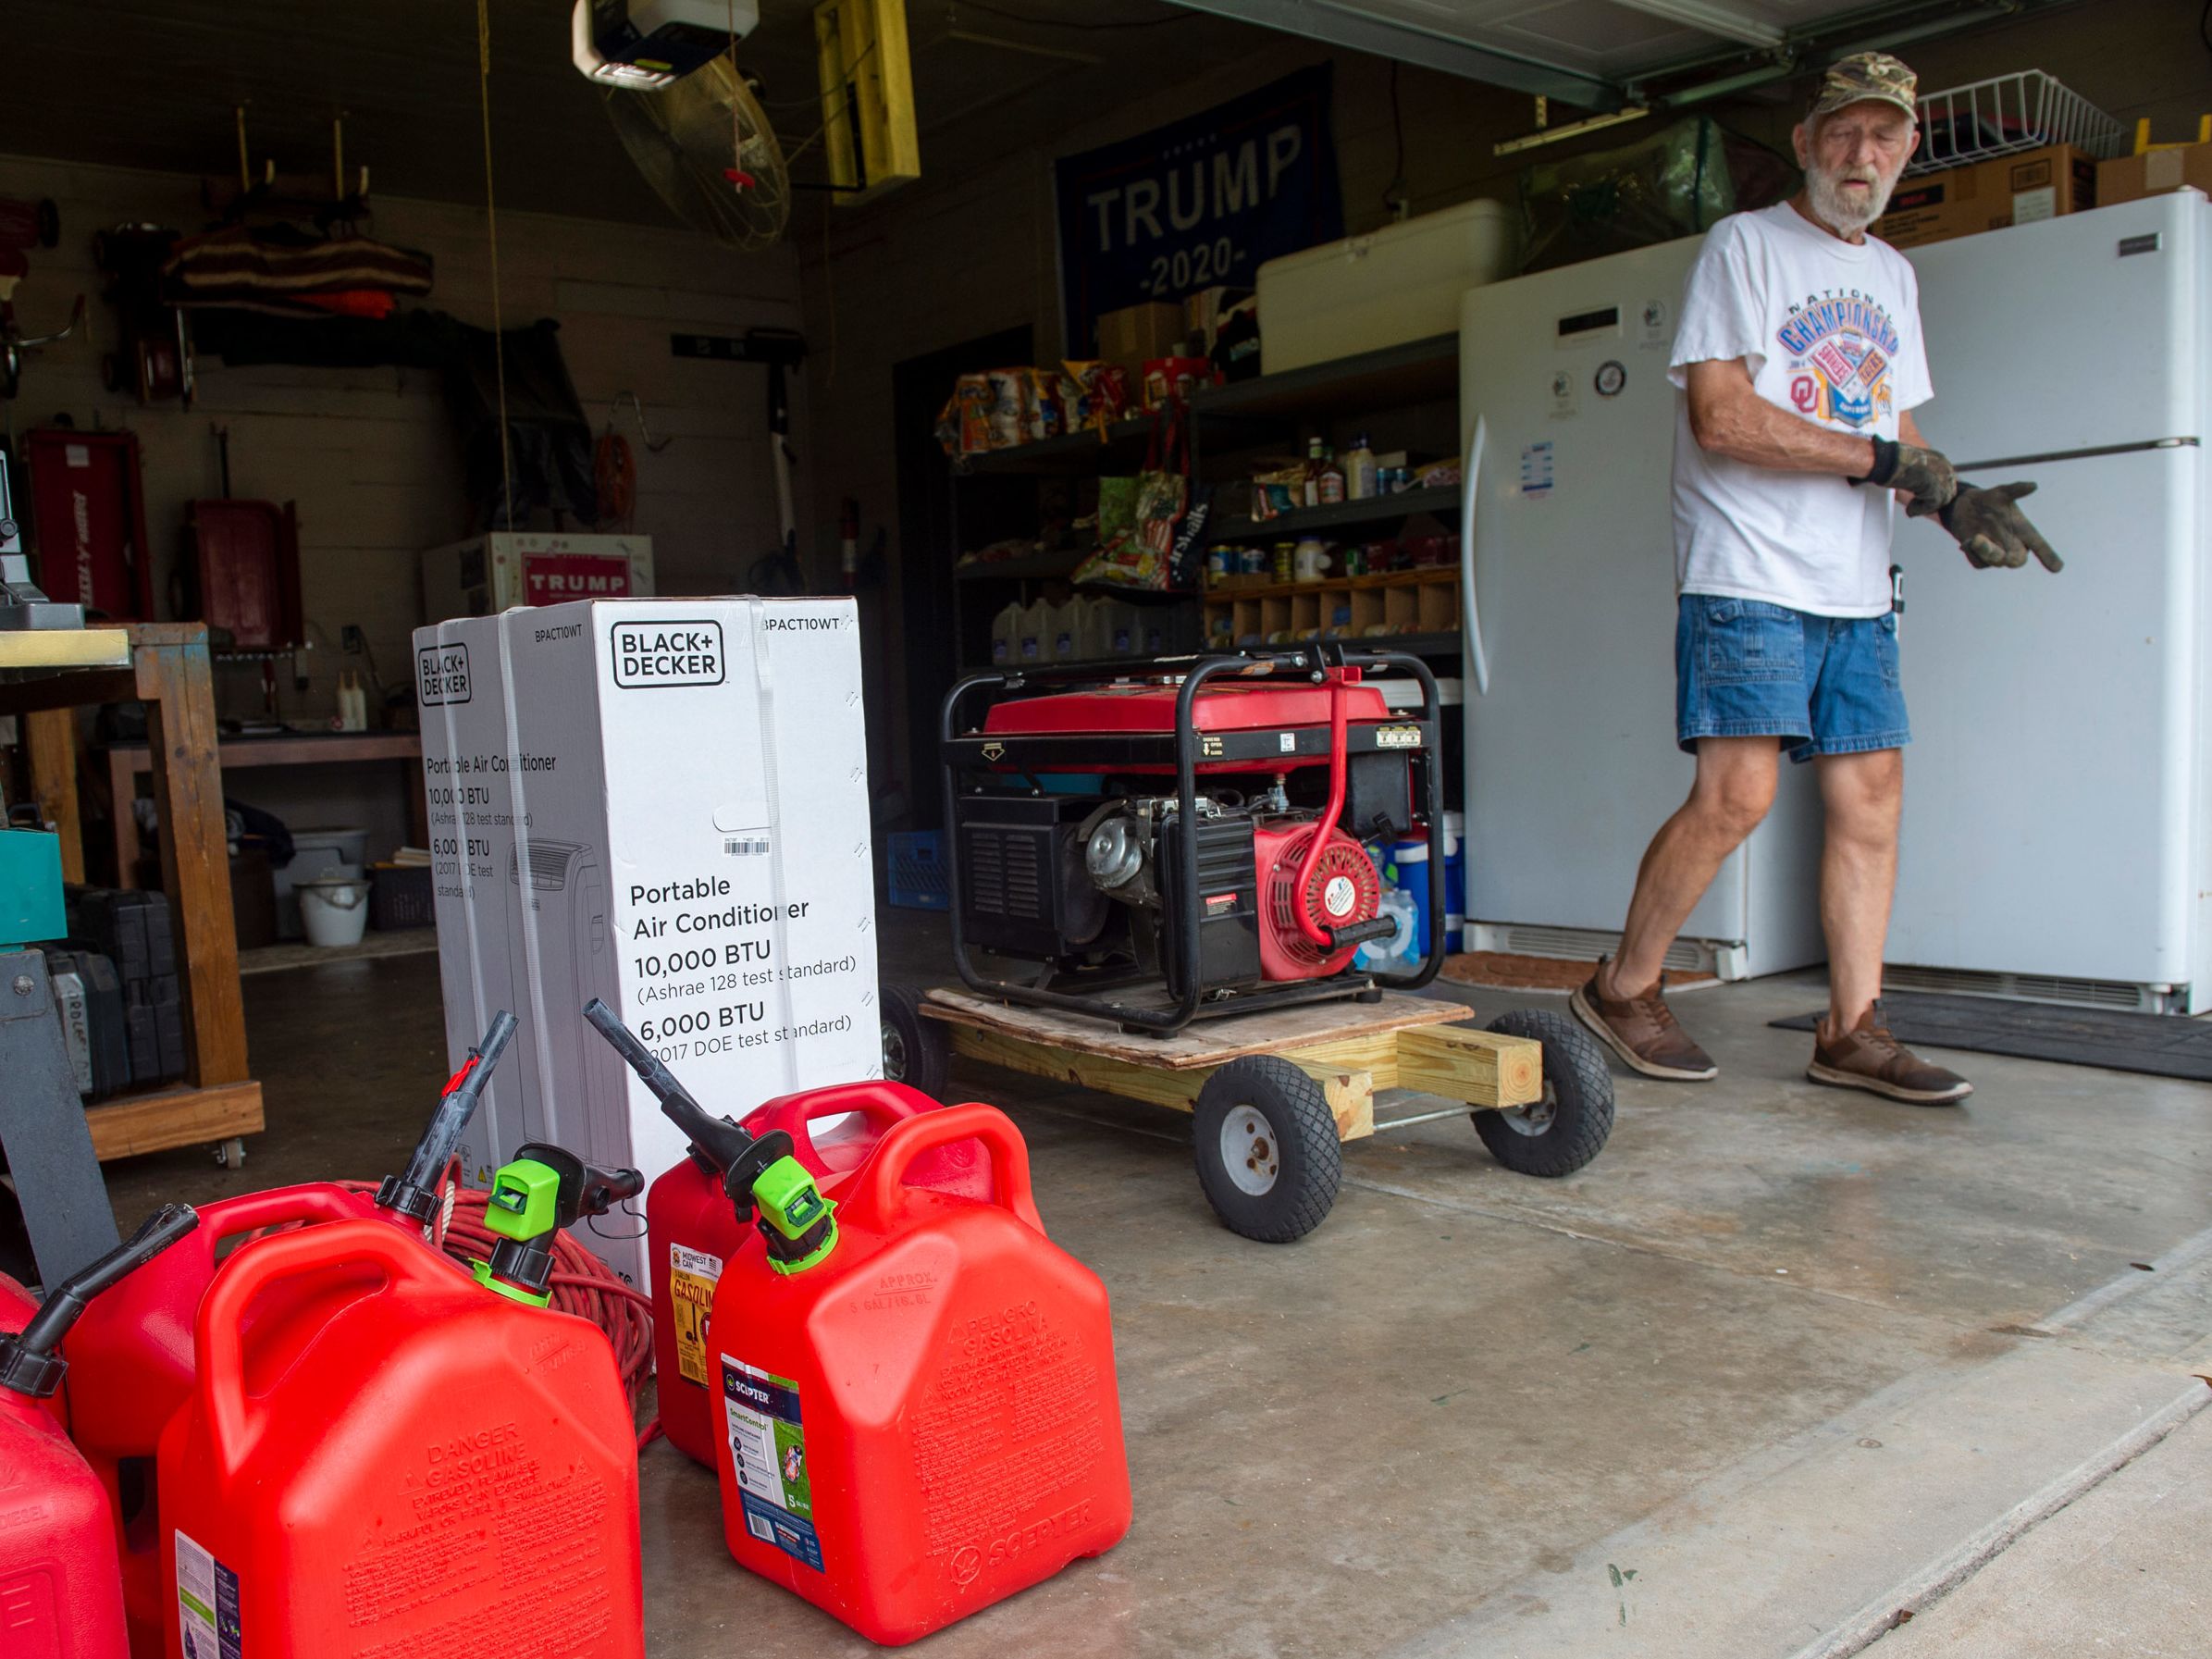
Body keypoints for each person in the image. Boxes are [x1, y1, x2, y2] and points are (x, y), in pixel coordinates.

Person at [1570, 52, 2059, 1106]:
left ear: (1909, 149)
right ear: (1805, 143)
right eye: (1843, 132)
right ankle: (1623, 986)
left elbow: (1898, 428)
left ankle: (1850, 1028)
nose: (1862, 153)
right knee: (1738, 793)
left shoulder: (1892, 273)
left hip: (1854, 582)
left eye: (1884, 135)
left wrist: (1950, 498)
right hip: (1748, 567)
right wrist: (1886, 464)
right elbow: (1724, 415)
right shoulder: (1744, 246)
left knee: (1871, 795)